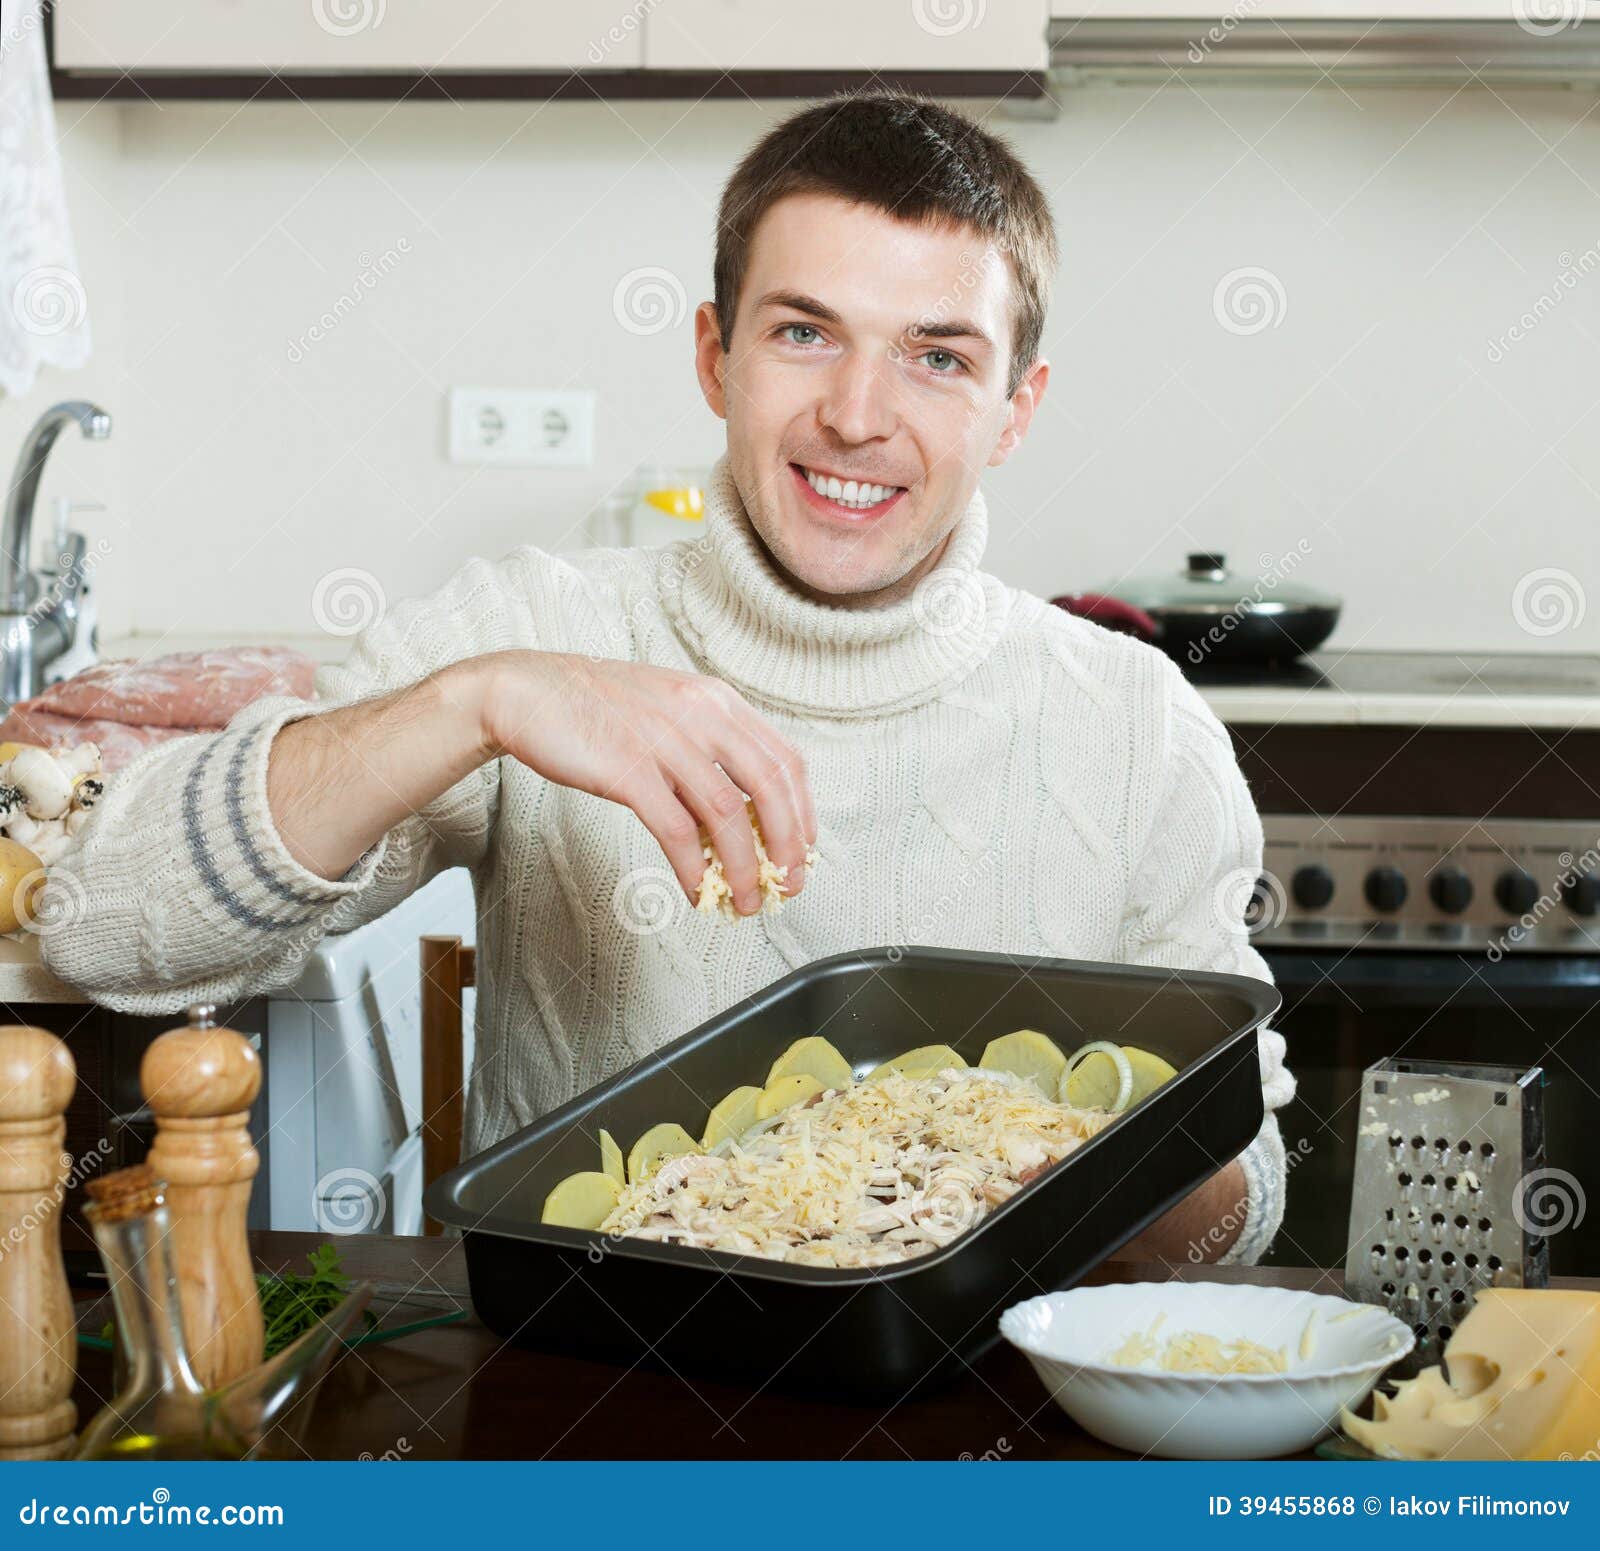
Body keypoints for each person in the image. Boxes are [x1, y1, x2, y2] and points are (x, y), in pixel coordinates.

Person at [43, 91, 1294, 1263]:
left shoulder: (1138, 728)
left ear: (1014, 410)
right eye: (804, 334)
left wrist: (1119, 1153)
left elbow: (1234, 1222)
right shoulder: (535, 626)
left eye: (938, 358)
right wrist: (471, 702)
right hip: (601, 1396)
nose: (857, 415)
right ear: (715, 358)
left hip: (994, 1426)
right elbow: (105, 928)